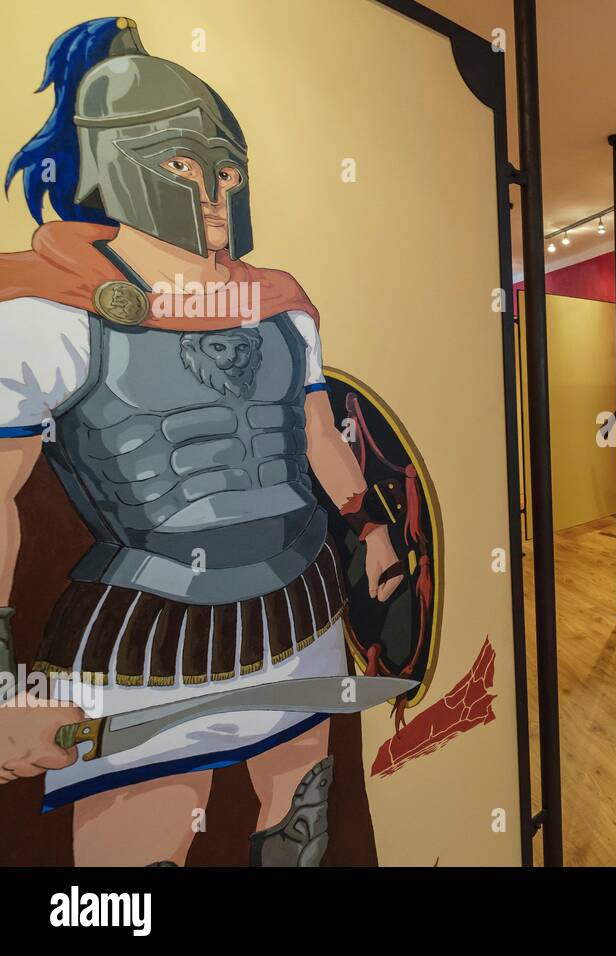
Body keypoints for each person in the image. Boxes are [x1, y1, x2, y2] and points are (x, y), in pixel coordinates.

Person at [0, 17, 401, 866]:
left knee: (300, 822)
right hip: (147, 631)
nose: (214, 189)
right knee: (132, 871)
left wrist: (367, 526)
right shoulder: (45, 312)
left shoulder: (283, 302)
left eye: (225, 167)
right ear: (117, 162)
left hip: (302, 604)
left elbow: (315, 435)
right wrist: (6, 685)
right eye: (185, 165)